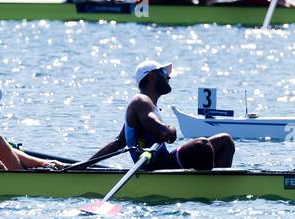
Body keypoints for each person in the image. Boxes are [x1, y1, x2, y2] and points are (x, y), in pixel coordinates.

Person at [87, 61, 235, 171]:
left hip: (166, 161)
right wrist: (171, 129)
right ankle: (210, 186)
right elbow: (164, 132)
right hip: (157, 166)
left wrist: (83, 166)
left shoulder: (144, 105)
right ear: (151, 76)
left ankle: (220, 183)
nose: (169, 77)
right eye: (164, 74)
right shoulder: (140, 101)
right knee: (201, 145)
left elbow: (118, 142)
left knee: (225, 141)